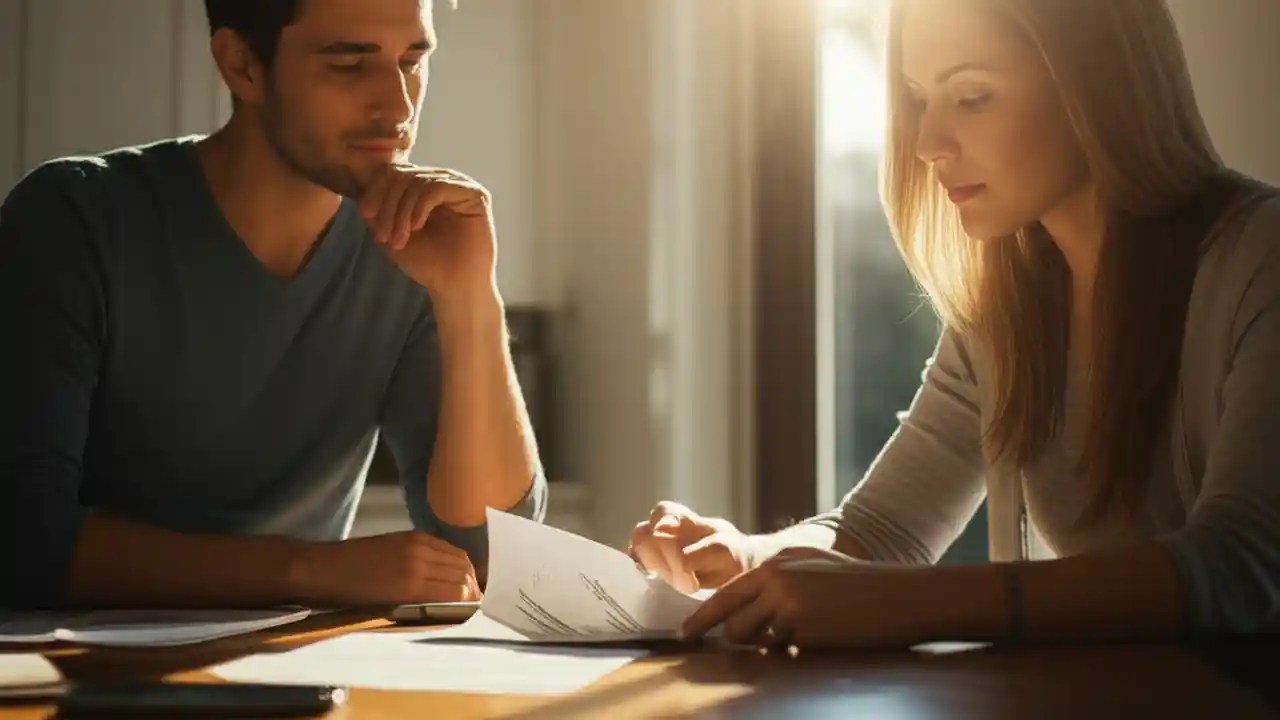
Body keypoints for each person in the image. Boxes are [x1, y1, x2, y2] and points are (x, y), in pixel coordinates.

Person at [631, 0, 1280, 649]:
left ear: (1095, 87)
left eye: (972, 96)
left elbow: (1242, 566)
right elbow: (882, 529)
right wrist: (747, 559)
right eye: (918, 98)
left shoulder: (1260, 259)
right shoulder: (1005, 310)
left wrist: (913, 603)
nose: (927, 144)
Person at [0, 0, 547, 610]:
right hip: (66, 682)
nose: (398, 107)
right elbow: (23, 542)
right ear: (242, 65)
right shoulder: (72, 220)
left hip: (297, 676)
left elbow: (491, 552)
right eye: (348, 64)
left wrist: (472, 298)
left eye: (413, 61)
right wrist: (312, 572)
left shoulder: (410, 248)